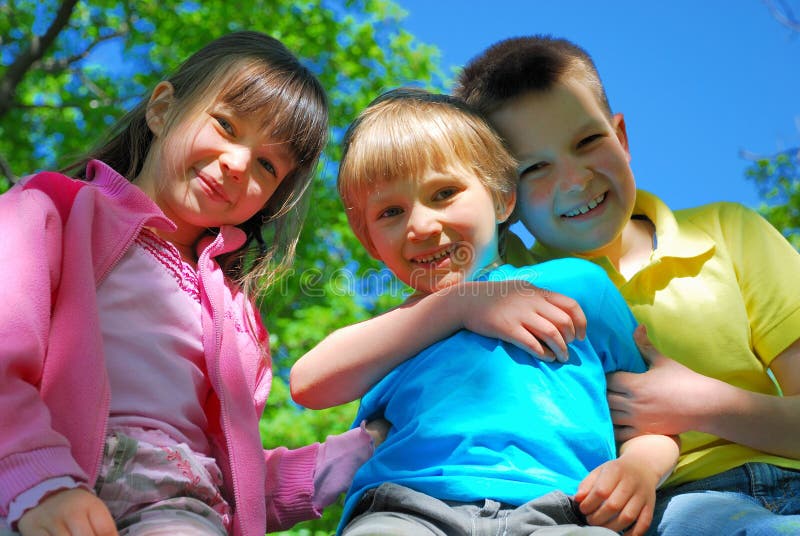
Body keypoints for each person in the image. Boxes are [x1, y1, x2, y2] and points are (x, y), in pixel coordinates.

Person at [0, 31, 377, 536]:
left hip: (178, 508)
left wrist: (352, 454)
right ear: (161, 110)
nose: (238, 164)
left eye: (267, 165)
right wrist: (37, 481)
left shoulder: (238, 319)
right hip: (37, 480)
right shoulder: (52, 211)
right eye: (225, 125)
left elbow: (229, 479)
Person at [453, 35, 800, 535]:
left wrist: (702, 404)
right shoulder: (507, 291)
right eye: (535, 169)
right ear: (503, 196)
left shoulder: (730, 231)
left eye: (588, 141)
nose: (575, 180)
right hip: (680, 506)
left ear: (622, 138)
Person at [293, 88, 679, 536]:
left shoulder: (577, 285)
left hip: (561, 508)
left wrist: (639, 470)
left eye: (443, 193)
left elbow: (653, 418)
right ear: (370, 243)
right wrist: (460, 304)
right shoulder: (398, 332)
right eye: (391, 211)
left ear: (501, 198)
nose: (420, 226)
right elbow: (307, 382)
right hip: (409, 508)